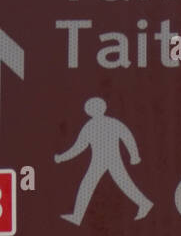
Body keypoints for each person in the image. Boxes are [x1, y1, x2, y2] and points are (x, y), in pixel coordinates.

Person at [54, 96, 152, 224]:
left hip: (107, 159)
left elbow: (127, 136)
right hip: (102, 160)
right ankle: (77, 216)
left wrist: (134, 155)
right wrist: (62, 157)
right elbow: (78, 147)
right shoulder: (95, 126)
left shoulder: (99, 125)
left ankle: (77, 216)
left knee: (91, 185)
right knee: (98, 185)